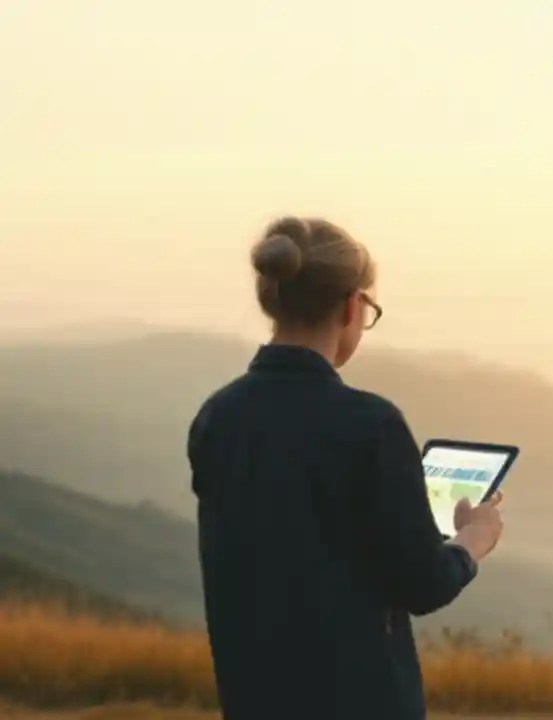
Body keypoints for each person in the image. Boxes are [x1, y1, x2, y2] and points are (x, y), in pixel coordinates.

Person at [187, 216, 504, 720]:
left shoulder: (218, 418)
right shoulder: (370, 425)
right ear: (352, 307)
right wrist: (473, 539)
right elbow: (424, 584)